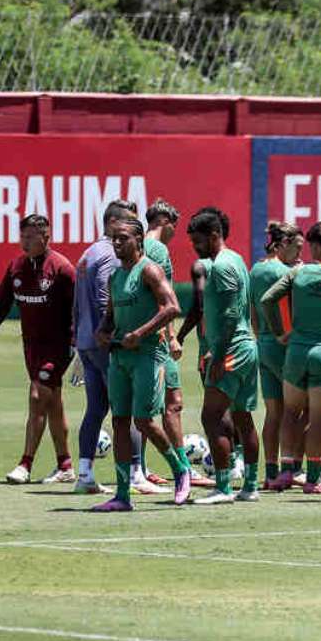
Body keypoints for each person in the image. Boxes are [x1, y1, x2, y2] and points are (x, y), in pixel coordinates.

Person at [89, 213, 191, 511]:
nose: (117, 243)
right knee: (120, 421)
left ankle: (180, 469)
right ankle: (122, 495)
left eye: (123, 238)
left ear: (138, 240)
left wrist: (141, 332)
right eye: (114, 239)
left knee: (144, 420)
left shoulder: (150, 270)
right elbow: (111, 313)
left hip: (148, 354)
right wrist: (103, 331)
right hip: (120, 356)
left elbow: (173, 307)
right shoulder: (116, 275)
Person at [0, 213, 76, 485]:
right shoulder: (17, 267)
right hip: (31, 346)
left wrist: (79, 349)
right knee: (52, 402)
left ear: (46, 237)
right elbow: (0, 304)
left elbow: (80, 310)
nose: (26, 241)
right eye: (23, 236)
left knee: (36, 395)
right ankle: (65, 464)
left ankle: (25, 464)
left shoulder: (62, 269)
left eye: (31, 237)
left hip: (59, 346)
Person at [182, 207, 261, 505]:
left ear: (215, 235)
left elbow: (229, 316)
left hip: (232, 350)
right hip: (243, 347)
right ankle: (250, 486)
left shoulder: (224, 265)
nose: (194, 246)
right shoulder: (236, 260)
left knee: (211, 416)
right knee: (242, 417)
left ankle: (224, 487)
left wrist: (217, 355)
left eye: (198, 240)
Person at [261, 221, 321, 494]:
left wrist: (279, 332)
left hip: (296, 351)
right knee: (319, 420)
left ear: (316, 246)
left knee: (290, 413)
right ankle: (312, 479)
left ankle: (286, 473)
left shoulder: (298, 272)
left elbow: (267, 299)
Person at [249, 221, 302, 489]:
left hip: (264, 345)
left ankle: (270, 472)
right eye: (297, 247)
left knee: (274, 412)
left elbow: (253, 311)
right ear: (283, 244)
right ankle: (291, 467)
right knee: (299, 407)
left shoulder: (256, 269)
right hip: (284, 345)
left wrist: (262, 336)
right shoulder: (285, 272)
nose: (300, 255)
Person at [71, 220, 122, 494]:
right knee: (124, 407)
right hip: (104, 343)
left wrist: (76, 339)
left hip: (85, 341)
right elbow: (105, 297)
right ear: (114, 223)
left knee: (95, 409)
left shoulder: (88, 252)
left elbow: (77, 301)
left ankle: (85, 474)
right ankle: (135, 473)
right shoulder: (110, 254)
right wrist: (112, 334)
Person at [143, 199, 189, 484]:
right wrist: (172, 336)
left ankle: (140, 468)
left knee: (142, 407)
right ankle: (183, 466)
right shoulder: (158, 249)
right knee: (173, 402)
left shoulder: (139, 246)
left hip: (142, 335)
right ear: (166, 223)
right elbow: (165, 299)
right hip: (158, 340)